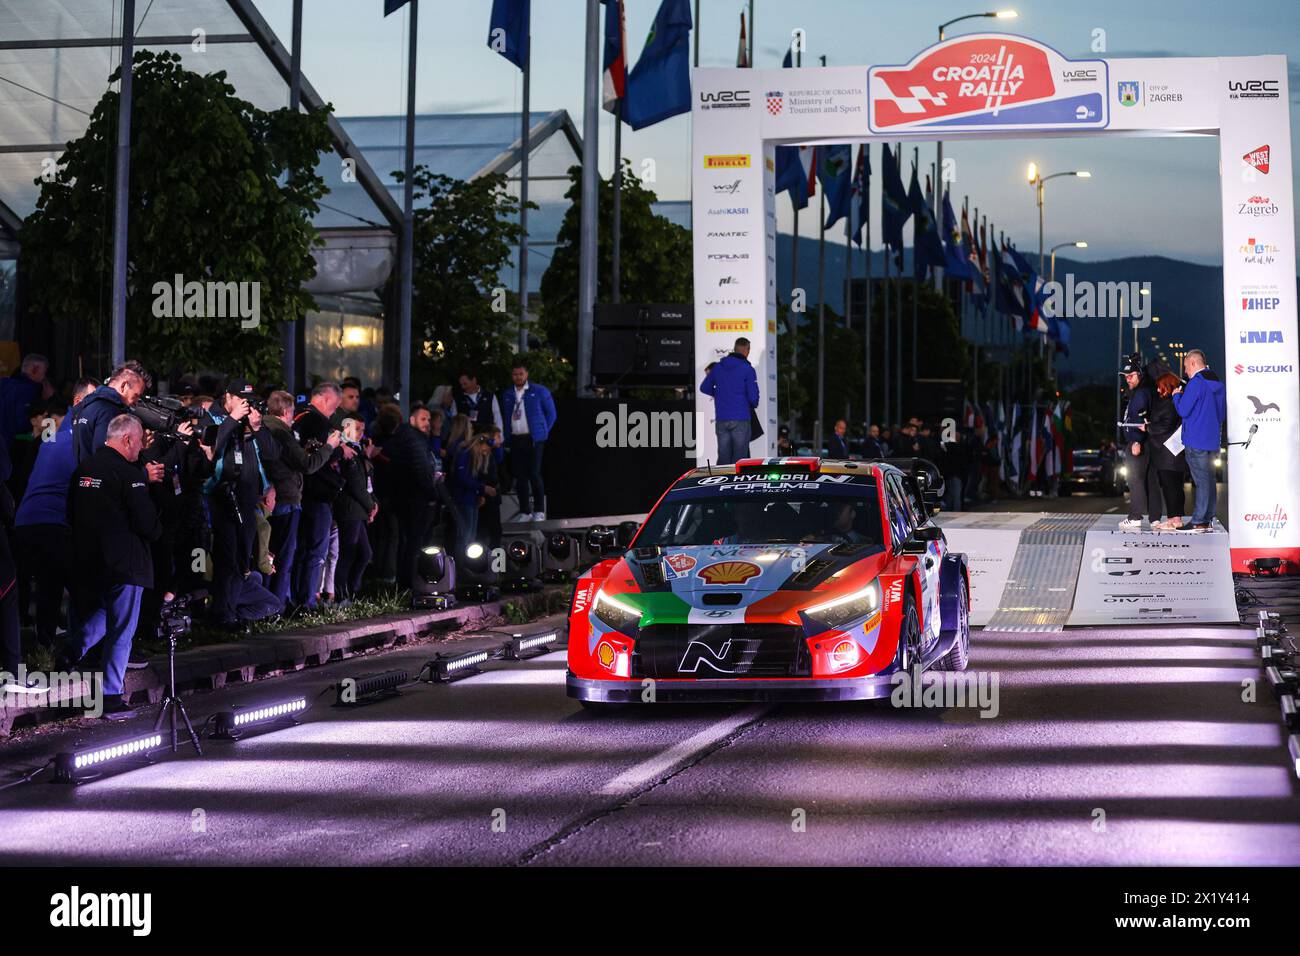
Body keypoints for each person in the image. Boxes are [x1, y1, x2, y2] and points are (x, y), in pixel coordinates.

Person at [63, 415, 161, 720]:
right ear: (128, 439)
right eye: (140, 443)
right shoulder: (129, 473)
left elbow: (71, 511)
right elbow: (146, 523)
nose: (141, 450)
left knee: (107, 613)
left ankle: (70, 652)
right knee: (123, 629)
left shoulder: (84, 469)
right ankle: (110, 696)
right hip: (126, 563)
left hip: (91, 560)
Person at [12, 377, 98, 650]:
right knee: (74, 589)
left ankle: (46, 649)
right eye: (95, 401)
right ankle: (60, 651)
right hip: (50, 524)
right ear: (79, 402)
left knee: (43, 588)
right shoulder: (78, 439)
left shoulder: (54, 437)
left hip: (26, 522)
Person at [202, 379, 281, 629]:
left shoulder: (249, 421)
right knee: (225, 557)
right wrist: (233, 419)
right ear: (228, 397)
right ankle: (220, 615)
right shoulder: (212, 417)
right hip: (220, 497)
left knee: (242, 559)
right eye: (240, 398)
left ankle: (229, 612)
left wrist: (257, 427)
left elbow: (272, 454)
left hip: (246, 499)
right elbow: (212, 448)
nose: (245, 404)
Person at [261, 390, 339, 611]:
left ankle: (274, 605)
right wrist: (330, 446)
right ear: (286, 411)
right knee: (283, 559)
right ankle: (277, 607)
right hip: (285, 499)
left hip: (276, 499)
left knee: (270, 556)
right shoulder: (282, 432)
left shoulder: (265, 428)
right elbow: (306, 464)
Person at [292, 382, 347, 609]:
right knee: (316, 552)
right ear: (323, 399)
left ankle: (296, 598)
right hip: (316, 495)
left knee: (302, 550)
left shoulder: (299, 418)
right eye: (334, 406)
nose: (334, 411)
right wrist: (337, 450)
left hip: (301, 494)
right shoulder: (317, 421)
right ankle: (307, 601)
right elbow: (316, 462)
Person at [383, 403, 443, 589]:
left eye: (429, 420)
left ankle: (406, 581)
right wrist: (432, 493)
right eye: (423, 419)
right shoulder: (414, 439)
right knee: (415, 543)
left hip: (406, 497)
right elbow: (420, 469)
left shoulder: (407, 437)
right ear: (412, 420)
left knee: (408, 542)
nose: (427, 423)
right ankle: (412, 582)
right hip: (416, 499)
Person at [1172, 349, 1226, 533]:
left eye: (1186, 367)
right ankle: (1207, 519)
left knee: (1201, 482)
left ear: (1194, 363)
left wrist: (1176, 395)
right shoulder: (1216, 382)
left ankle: (1198, 521)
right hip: (1212, 440)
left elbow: (1183, 410)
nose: (1185, 371)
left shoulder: (1196, 383)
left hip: (1195, 440)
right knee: (1209, 481)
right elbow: (1221, 414)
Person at [500, 359, 557, 521]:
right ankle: (525, 511)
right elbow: (506, 416)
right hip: (516, 438)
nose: (518, 377)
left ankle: (539, 510)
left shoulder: (539, 391)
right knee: (520, 476)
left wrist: (543, 431)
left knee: (534, 473)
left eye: (521, 374)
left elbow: (551, 414)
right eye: (515, 374)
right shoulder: (508, 394)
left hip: (533, 439)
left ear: (527, 374)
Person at [333, 418, 376, 603]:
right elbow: (356, 484)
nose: (361, 433)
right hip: (350, 509)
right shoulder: (346, 451)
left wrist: (372, 503)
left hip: (358, 509)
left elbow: (365, 481)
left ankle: (351, 590)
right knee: (348, 552)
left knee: (364, 553)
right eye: (357, 428)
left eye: (362, 429)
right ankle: (342, 593)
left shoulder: (357, 451)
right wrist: (371, 505)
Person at [72, 360, 149, 463]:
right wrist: (144, 472)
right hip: (102, 477)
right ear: (124, 386)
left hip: (84, 475)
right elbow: (108, 458)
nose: (136, 402)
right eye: (136, 396)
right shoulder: (110, 410)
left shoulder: (88, 405)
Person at [699, 337, 759, 466]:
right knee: (739, 460)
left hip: (722, 418)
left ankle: (722, 484)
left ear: (735, 349)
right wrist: (752, 404)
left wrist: (720, 395)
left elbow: (704, 387)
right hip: (741, 418)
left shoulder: (718, 367)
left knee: (724, 458)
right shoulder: (747, 369)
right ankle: (736, 484)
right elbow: (753, 397)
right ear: (746, 350)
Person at [1118, 354, 1161, 530]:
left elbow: (1143, 421)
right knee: (1150, 480)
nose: (1128, 379)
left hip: (1139, 444)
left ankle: (1135, 517)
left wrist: (1137, 441)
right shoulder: (1137, 393)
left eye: (1131, 376)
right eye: (1126, 376)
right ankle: (1155, 518)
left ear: (1140, 376)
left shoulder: (1142, 394)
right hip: (1144, 444)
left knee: (1135, 479)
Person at [1146, 365, 1188, 531]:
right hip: (1174, 453)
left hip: (1169, 453)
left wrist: (1148, 427)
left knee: (1171, 486)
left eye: (1159, 385)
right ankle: (1175, 518)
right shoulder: (1175, 401)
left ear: (1167, 385)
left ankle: (1174, 519)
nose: (1157, 389)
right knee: (1175, 486)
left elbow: (1165, 425)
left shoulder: (1169, 403)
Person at [0, 353, 53, 451]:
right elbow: (23, 423)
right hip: (12, 447)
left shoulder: (5, 384)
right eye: (44, 372)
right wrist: (49, 400)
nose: (44, 378)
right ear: (35, 369)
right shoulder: (28, 390)